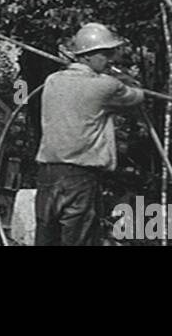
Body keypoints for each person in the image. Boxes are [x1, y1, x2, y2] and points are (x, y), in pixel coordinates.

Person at [34, 23, 144, 246]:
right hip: (79, 178)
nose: (110, 59)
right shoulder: (105, 86)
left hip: (48, 176)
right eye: (105, 54)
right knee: (80, 240)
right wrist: (126, 78)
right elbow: (136, 96)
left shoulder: (52, 81)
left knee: (47, 240)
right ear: (87, 56)